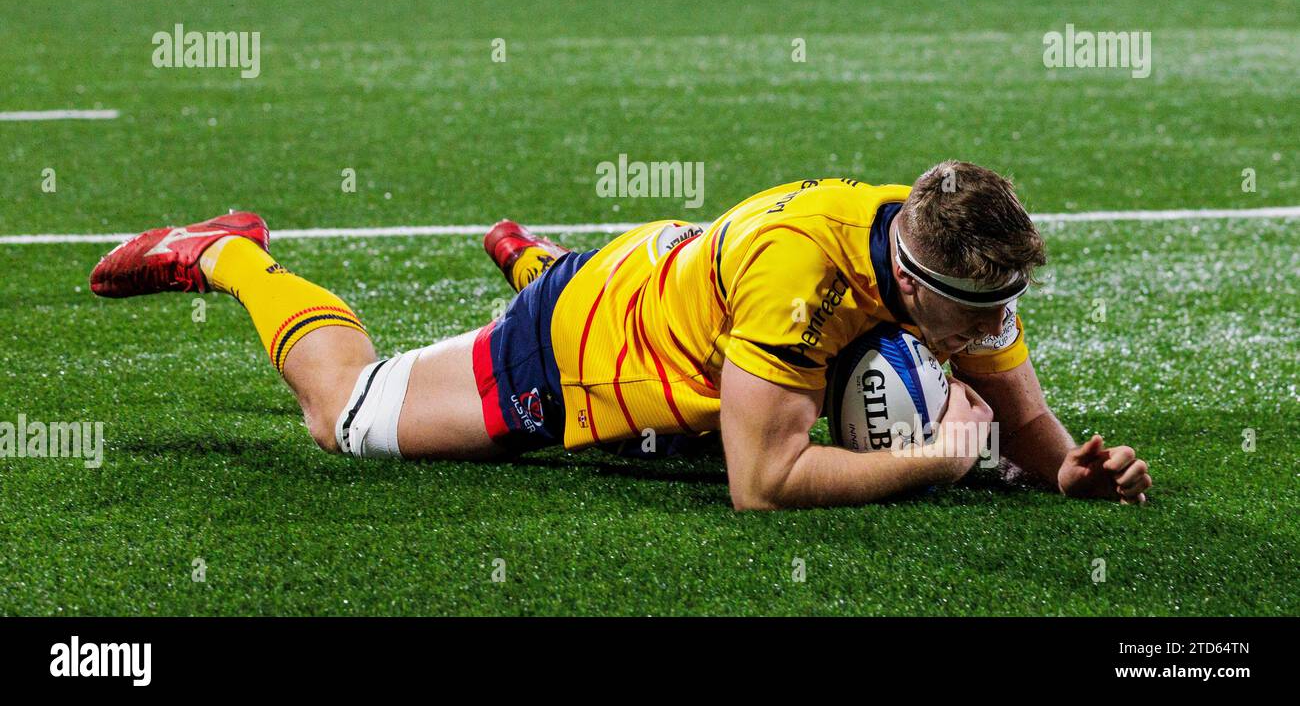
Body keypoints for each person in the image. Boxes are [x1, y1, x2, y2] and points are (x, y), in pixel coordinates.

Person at [89, 163, 1152, 511]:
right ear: (913, 285)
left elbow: (1023, 417)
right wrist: (943, 455)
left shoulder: (951, 258)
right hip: (586, 342)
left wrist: (1066, 467)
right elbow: (765, 480)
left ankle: (535, 254)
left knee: (735, 369)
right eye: (976, 313)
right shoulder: (802, 281)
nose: (994, 328)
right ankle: (226, 252)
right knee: (351, 416)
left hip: (680, 282)